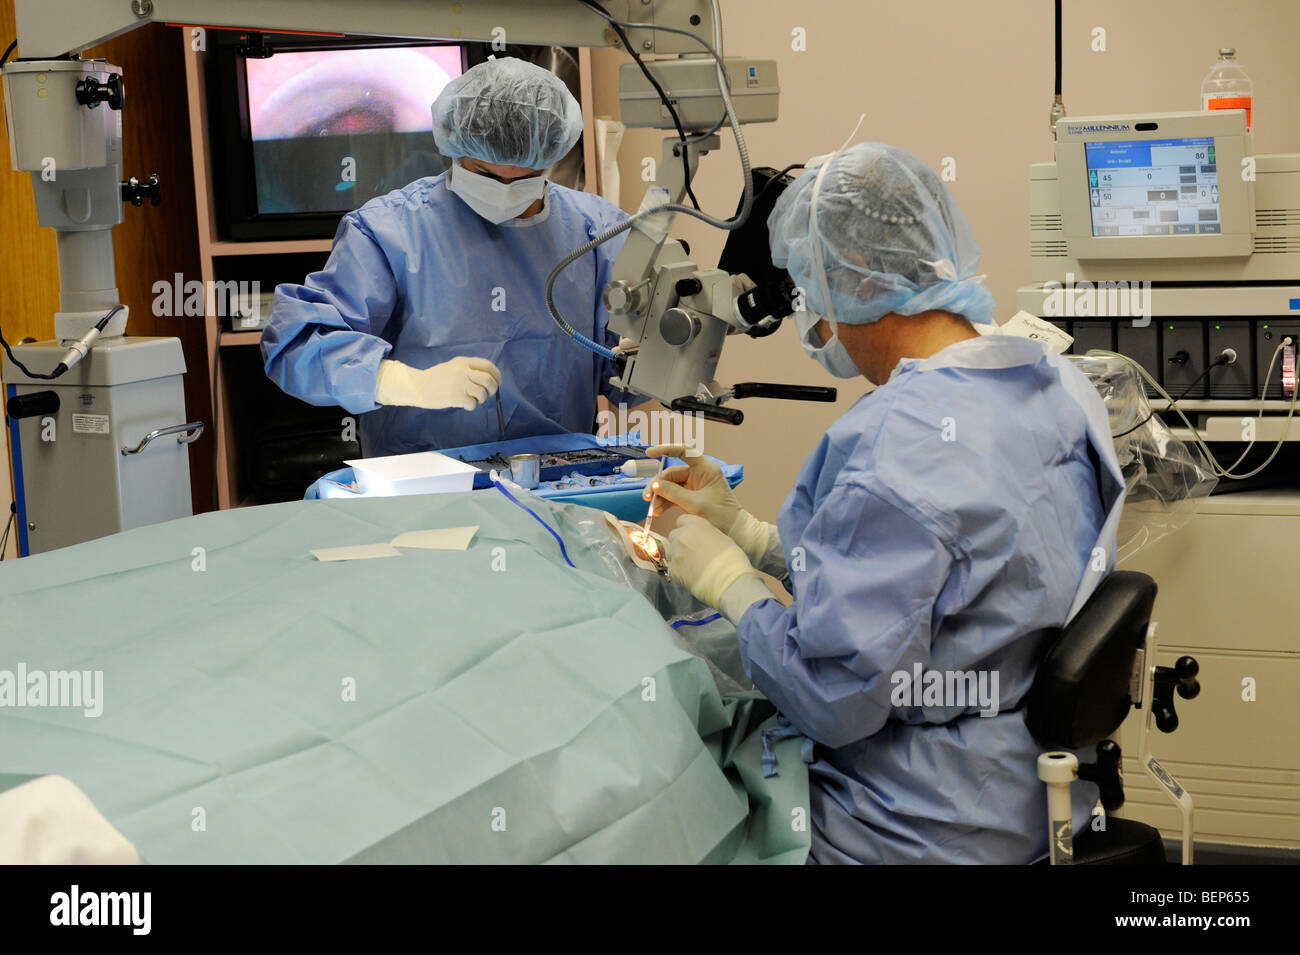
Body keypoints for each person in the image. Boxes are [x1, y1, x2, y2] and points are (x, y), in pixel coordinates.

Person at [646, 143, 1126, 864]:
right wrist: (746, 535)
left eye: (809, 289)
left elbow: (832, 700)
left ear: (849, 281)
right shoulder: (1048, 381)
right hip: (1035, 793)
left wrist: (728, 585)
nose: (813, 317)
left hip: (917, 826)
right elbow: (951, 587)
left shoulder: (900, 444)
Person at [262, 57, 632, 456]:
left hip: (557, 474)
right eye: (486, 174)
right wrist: (402, 382)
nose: (505, 189)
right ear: (455, 149)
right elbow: (297, 344)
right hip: (425, 481)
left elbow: (626, 369)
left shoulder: (598, 232)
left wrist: (664, 356)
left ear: (551, 158)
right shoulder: (389, 231)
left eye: (525, 177)